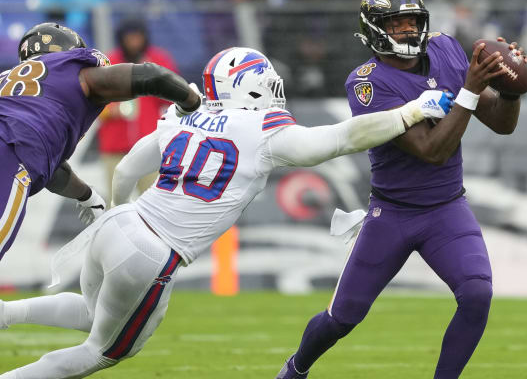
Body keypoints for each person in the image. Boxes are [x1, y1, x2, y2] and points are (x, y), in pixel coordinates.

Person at [0, 47, 454, 379]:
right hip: (155, 250)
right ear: (255, 83)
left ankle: (7, 315)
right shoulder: (263, 129)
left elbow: (127, 169)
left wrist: (114, 216)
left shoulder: (182, 117)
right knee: (103, 351)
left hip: (122, 223)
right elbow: (338, 139)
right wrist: (408, 112)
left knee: (93, 312)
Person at [277, 0, 526, 379]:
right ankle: (295, 368)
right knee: (342, 318)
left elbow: (501, 124)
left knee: (477, 294)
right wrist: (469, 90)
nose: (409, 30)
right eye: (397, 24)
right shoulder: (366, 81)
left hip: (447, 208)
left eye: (413, 21)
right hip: (392, 214)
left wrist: (510, 89)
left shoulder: (445, 48)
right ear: (375, 29)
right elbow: (430, 149)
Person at [0, 22, 201, 263]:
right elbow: (151, 75)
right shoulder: (72, 71)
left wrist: (86, 195)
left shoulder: (9, 82)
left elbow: (47, 166)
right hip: (11, 155)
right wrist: (193, 103)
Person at [100, 18, 179, 200]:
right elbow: (94, 102)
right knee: (116, 202)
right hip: (115, 146)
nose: (134, 42)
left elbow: (173, 98)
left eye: (138, 37)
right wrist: (112, 110)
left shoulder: (158, 59)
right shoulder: (109, 62)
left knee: (154, 201)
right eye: (130, 38)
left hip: (149, 146)